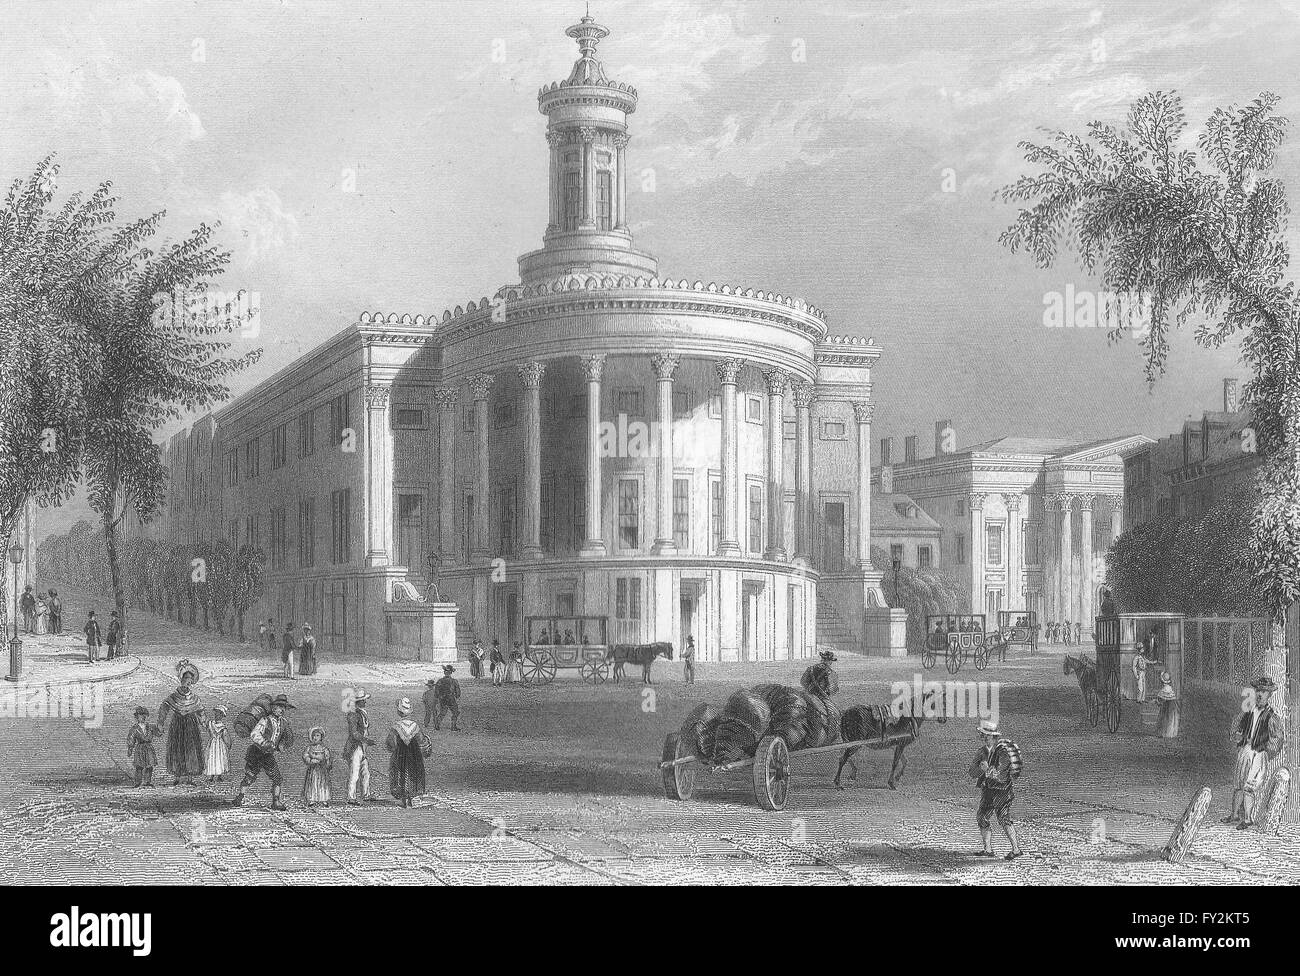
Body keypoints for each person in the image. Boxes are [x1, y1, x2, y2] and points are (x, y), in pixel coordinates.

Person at [1224, 676, 1283, 829]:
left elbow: (1277, 738)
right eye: (1258, 690)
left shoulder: (1271, 716)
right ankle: (1235, 815)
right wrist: (1237, 736)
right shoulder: (1248, 711)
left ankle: (1248, 819)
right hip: (1245, 750)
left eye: (1263, 692)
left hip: (1258, 754)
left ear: (1269, 694)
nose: (1259, 694)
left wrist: (1265, 751)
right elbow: (1237, 725)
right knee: (1238, 784)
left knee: (1249, 787)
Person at [969, 719, 1022, 860]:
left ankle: (1016, 850)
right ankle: (988, 849)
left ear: (994, 736)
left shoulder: (1003, 752)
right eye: (983, 734)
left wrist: (987, 770)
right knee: (982, 817)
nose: (984, 737)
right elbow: (972, 771)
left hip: (1002, 791)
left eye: (987, 735)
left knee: (1003, 818)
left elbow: (1002, 776)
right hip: (988, 790)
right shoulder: (981, 752)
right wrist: (980, 770)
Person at [233, 694, 295, 810]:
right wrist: (264, 742)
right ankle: (240, 797)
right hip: (256, 752)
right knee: (250, 776)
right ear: (273, 708)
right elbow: (254, 734)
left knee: (277, 778)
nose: (281, 710)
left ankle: (276, 802)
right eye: (279, 707)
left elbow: (287, 737)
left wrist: (282, 745)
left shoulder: (283, 722)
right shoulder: (265, 720)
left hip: (268, 754)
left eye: (284, 708)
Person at [157, 660, 205, 786]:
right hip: (177, 724)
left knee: (191, 749)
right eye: (186, 679)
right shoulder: (174, 696)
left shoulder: (194, 698)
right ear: (181, 679)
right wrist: (160, 723)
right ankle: (177, 776)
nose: (188, 682)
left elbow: (200, 710)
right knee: (177, 748)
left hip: (190, 725)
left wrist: (203, 719)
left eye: (190, 680)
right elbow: (164, 707)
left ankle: (189, 777)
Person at [386, 698, 433, 808]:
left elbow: (391, 742)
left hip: (400, 753)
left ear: (399, 712)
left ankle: (404, 799)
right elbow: (421, 740)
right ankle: (412, 798)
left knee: (400, 772)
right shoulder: (415, 726)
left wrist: (393, 749)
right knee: (413, 773)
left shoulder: (396, 726)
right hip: (414, 754)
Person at [345, 688, 376, 805]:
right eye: (364, 700)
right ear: (359, 702)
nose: (365, 702)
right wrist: (366, 740)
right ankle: (351, 797)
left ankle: (366, 794)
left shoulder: (362, 713)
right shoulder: (353, 715)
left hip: (362, 747)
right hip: (355, 747)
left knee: (365, 772)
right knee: (354, 773)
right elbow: (354, 733)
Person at [126, 706, 160, 788]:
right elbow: (131, 739)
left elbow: (158, 734)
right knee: (139, 766)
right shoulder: (135, 728)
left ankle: (147, 781)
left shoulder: (150, 727)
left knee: (149, 765)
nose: (143, 717)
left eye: (144, 715)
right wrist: (130, 748)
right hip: (140, 748)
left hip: (149, 748)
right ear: (137, 717)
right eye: (141, 715)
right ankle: (138, 782)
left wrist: (160, 728)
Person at [301, 727, 333, 807]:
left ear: (321, 737)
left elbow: (328, 758)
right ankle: (312, 799)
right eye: (314, 736)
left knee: (322, 784)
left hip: (322, 770)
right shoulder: (309, 748)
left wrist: (326, 763)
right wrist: (311, 761)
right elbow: (305, 756)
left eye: (317, 735)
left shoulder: (324, 749)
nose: (315, 738)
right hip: (313, 770)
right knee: (313, 783)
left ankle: (323, 799)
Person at [204, 705, 232, 783]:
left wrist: (228, 744)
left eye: (219, 714)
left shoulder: (223, 727)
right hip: (212, 744)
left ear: (222, 716)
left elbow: (226, 737)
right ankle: (211, 776)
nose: (217, 715)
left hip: (220, 745)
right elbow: (206, 726)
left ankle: (219, 776)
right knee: (211, 758)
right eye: (216, 713)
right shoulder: (210, 723)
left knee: (220, 758)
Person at [432, 665, 461, 731]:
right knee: (455, 712)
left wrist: (438, 697)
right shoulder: (454, 681)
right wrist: (457, 696)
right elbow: (458, 692)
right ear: (451, 673)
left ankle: (437, 725)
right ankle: (453, 726)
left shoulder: (440, 681)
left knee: (442, 712)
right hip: (451, 699)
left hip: (443, 699)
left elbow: (436, 691)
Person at [1154, 671, 1179, 739]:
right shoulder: (1170, 688)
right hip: (1172, 707)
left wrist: (1157, 702)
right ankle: (1170, 733)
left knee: (1164, 719)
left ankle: (1164, 733)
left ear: (1162, 682)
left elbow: (1160, 700)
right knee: (1170, 719)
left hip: (1166, 707)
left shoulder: (1164, 689)